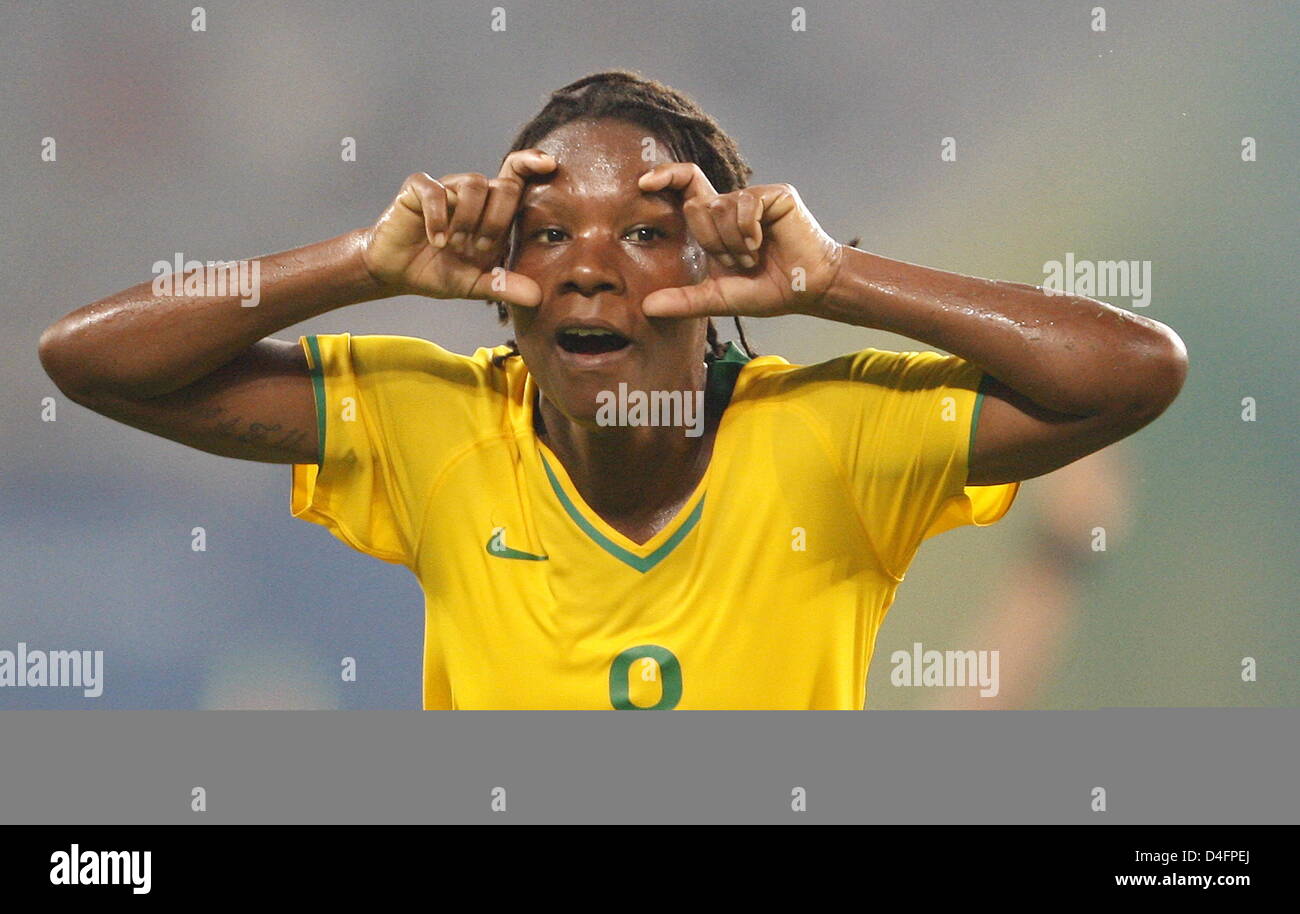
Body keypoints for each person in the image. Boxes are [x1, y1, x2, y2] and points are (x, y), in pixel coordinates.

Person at [37, 71, 1188, 709]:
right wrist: (358, 261)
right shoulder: (429, 423)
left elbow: (1135, 373)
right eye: (544, 232)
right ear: (498, 278)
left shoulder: (832, 439)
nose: (587, 265)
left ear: (721, 268)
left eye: (647, 230)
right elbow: (86, 358)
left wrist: (838, 280)